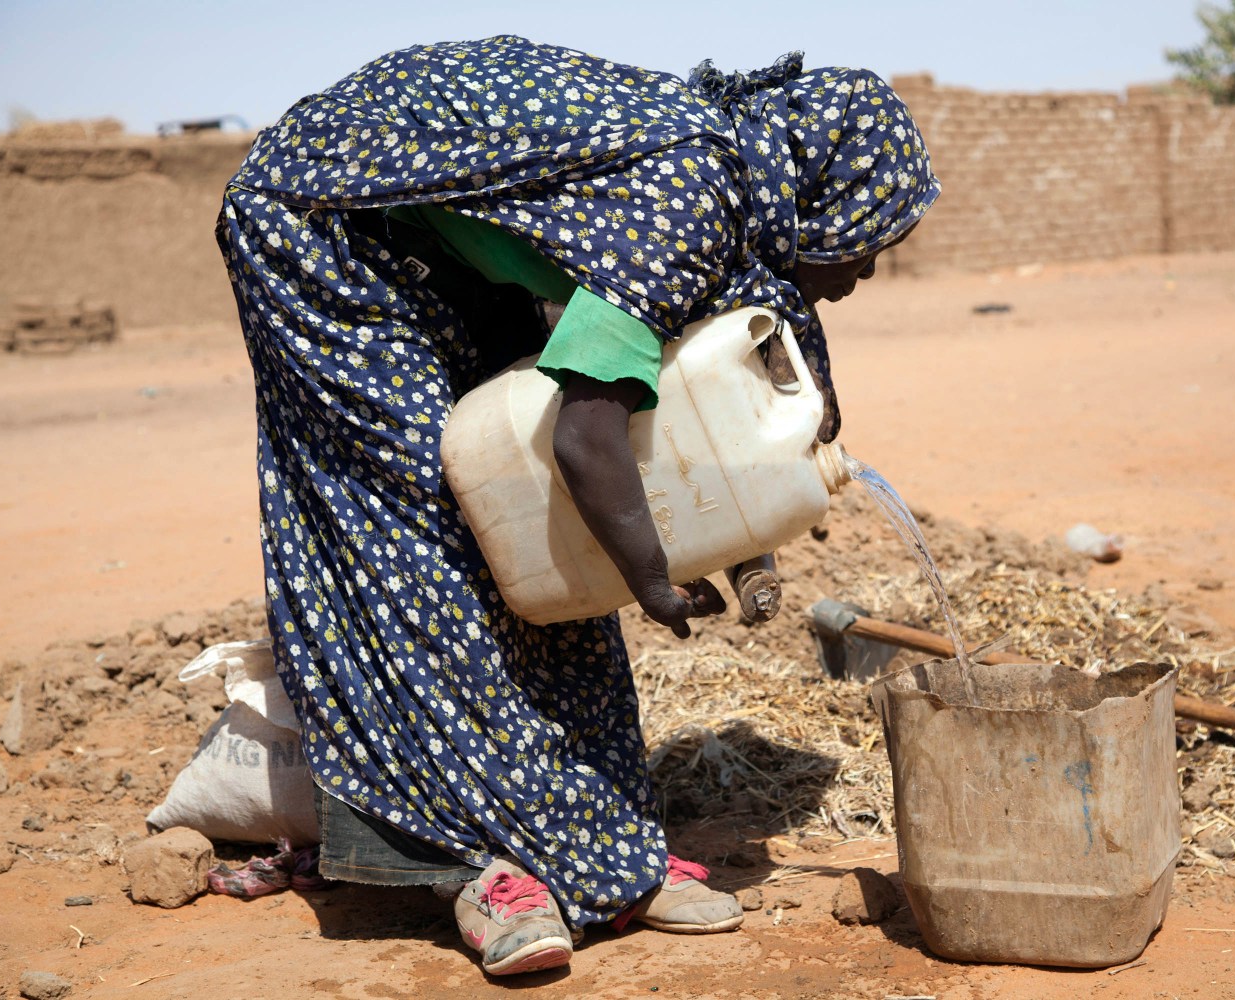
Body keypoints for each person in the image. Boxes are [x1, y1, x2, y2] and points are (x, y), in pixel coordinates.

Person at [217, 35, 939, 977]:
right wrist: (651, 579)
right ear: (819, 200)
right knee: (436, 538)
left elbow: (671, 424)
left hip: (425, 242)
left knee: (546, 535)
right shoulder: (693, 200)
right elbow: (588, 438)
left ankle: (598, 848)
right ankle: (478, 866)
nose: (864, 273)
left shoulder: (723, 196)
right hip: (320, 231)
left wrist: (731, 533)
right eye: (867, 244)